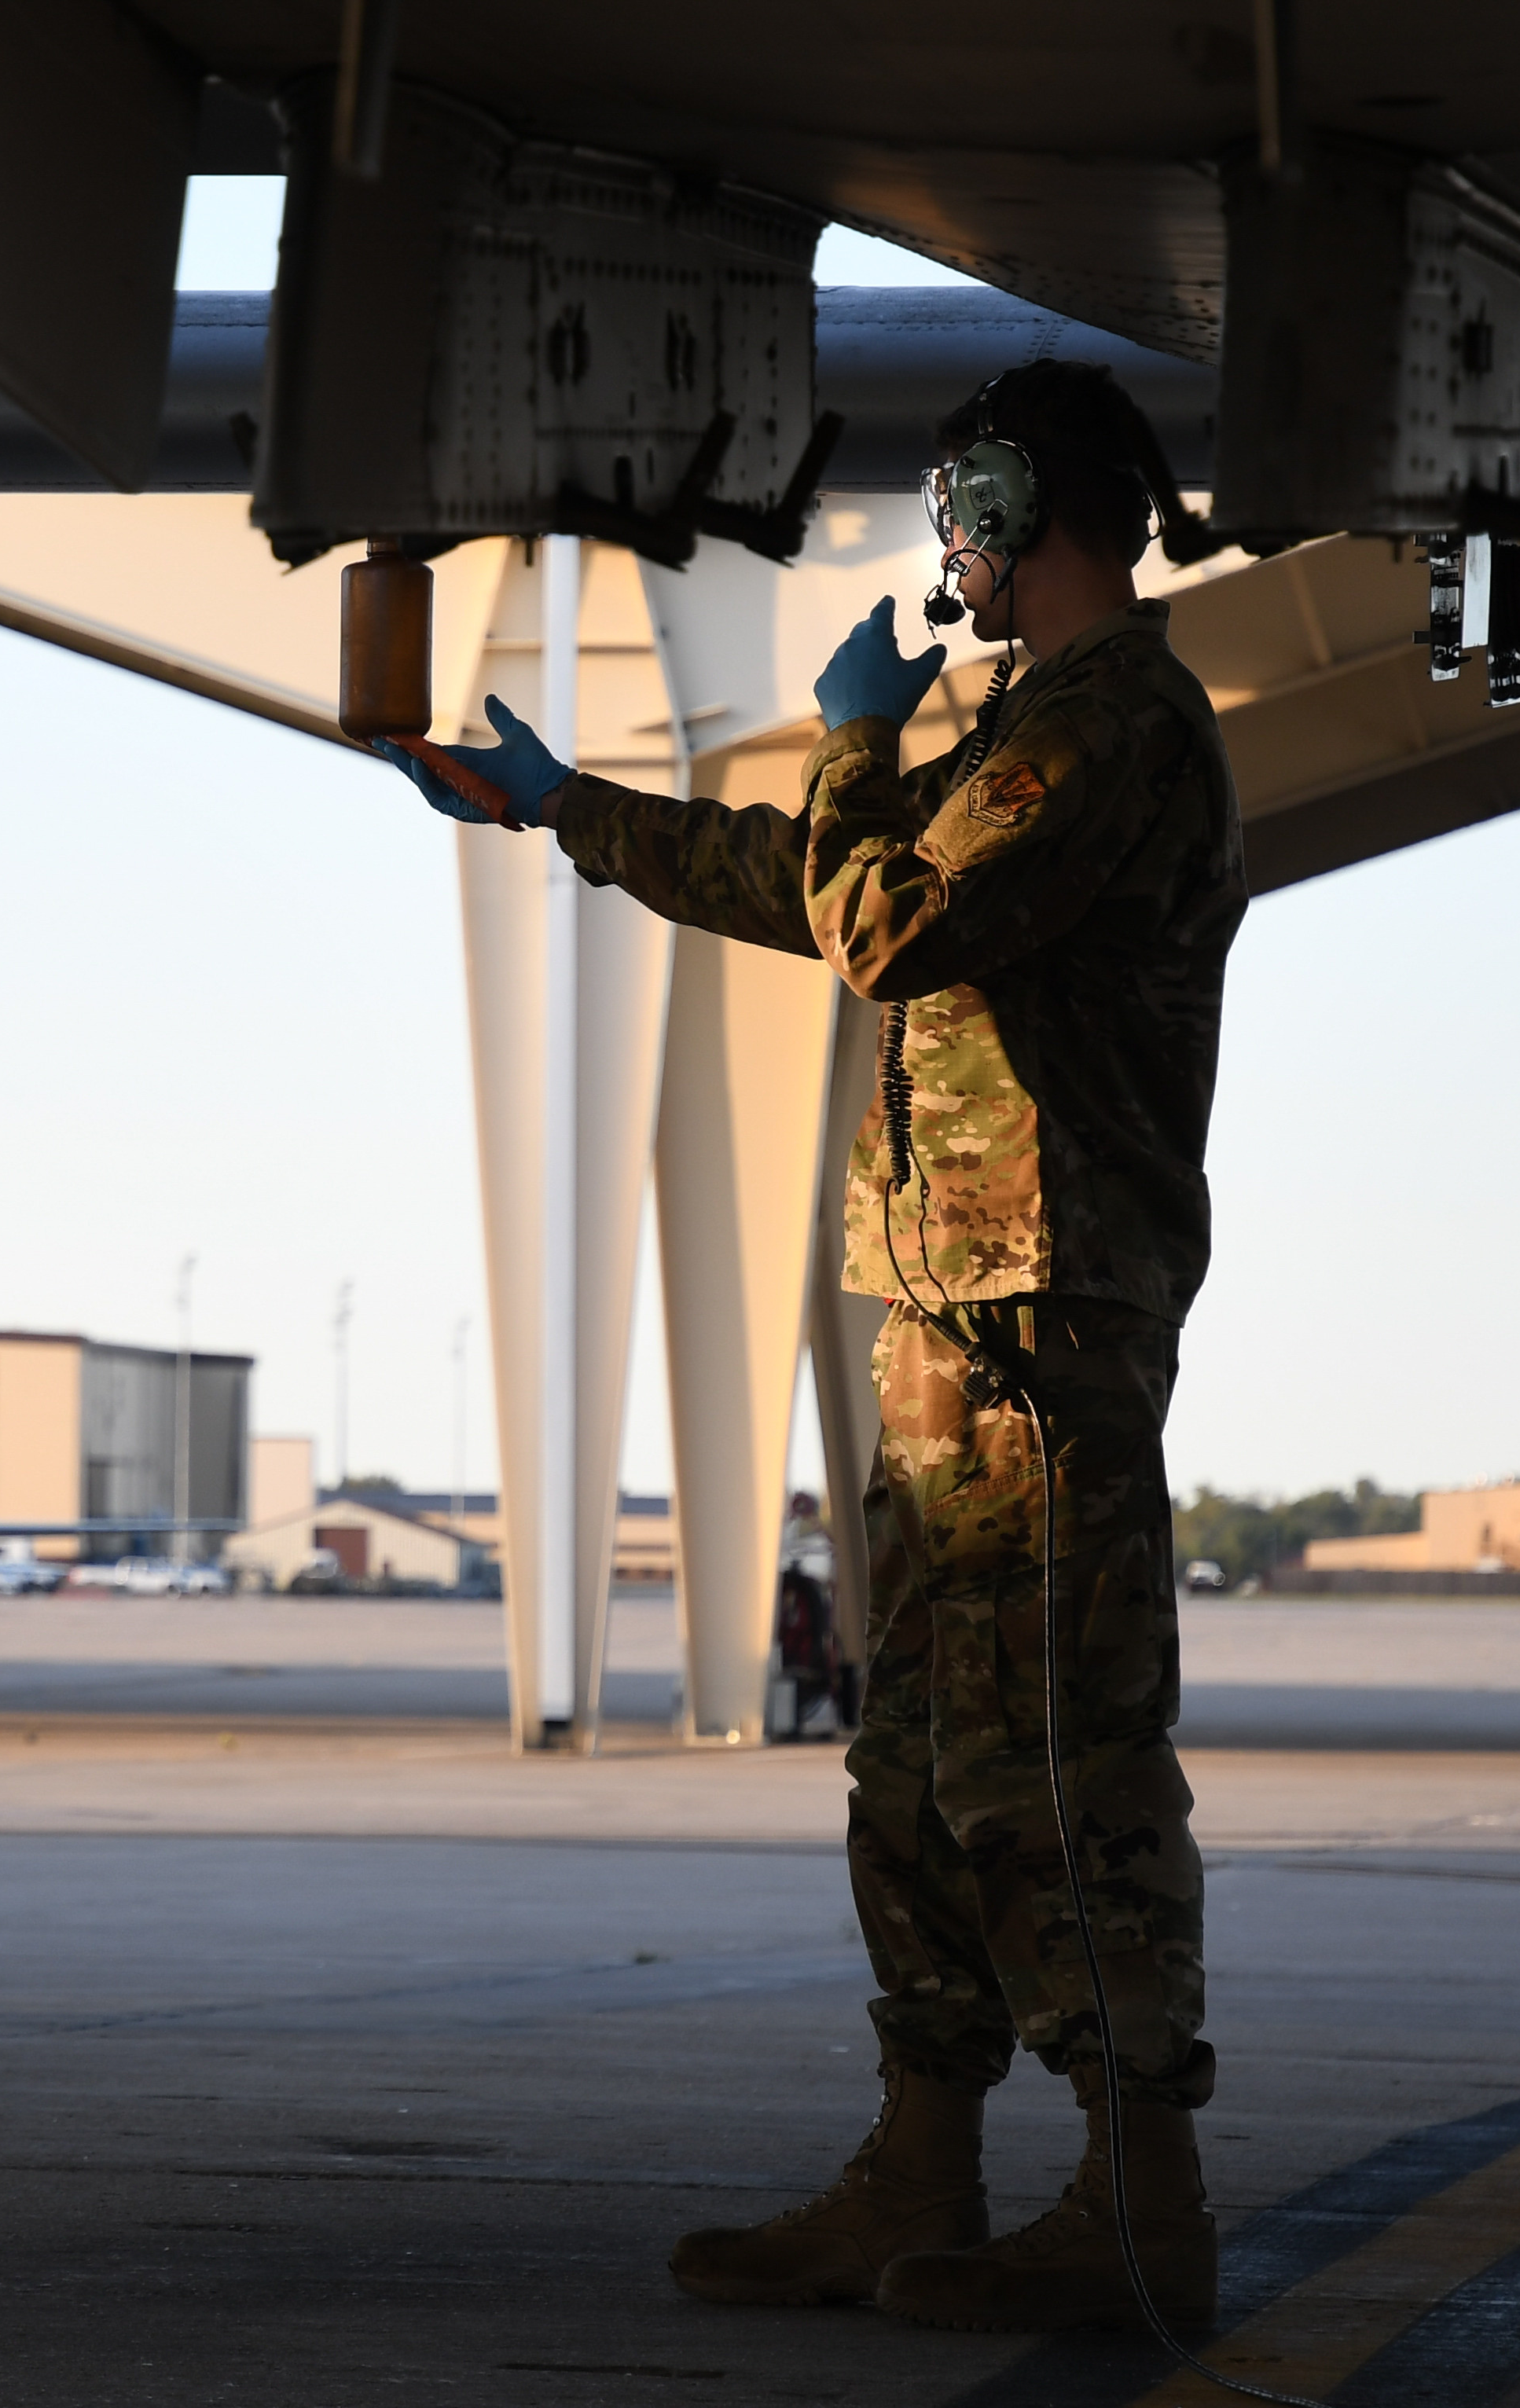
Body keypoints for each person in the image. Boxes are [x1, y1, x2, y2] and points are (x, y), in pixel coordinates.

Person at [383, 358, 1243, 2337]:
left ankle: (1139, 2198)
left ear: (1029, 501)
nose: (950, 548)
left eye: (963, 507)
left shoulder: (1112, 731)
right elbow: (803, 880)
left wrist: (859, 746)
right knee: (915, 1762)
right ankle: (918, 2167)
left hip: (1040, 1318)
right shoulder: (1032, 727)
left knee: (1061, 1754)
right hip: (954, 1315)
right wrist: (565, 810)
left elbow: (883, 922)